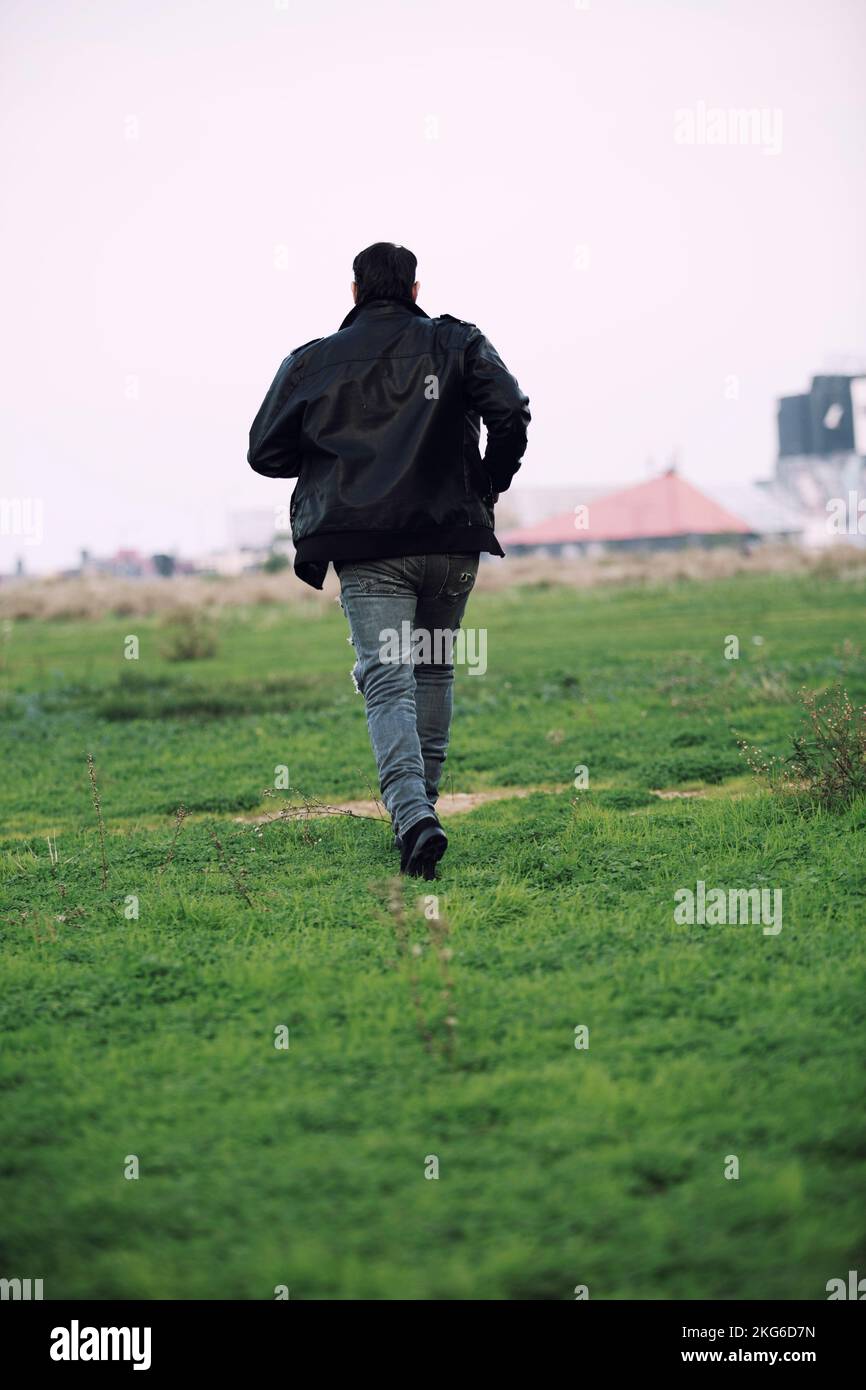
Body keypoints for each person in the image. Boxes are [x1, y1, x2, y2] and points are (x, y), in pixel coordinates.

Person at [248, 242, 530, 877]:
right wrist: (489, 481)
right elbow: (510, 411)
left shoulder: (312, 362)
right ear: (415, 288)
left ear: (354, 291)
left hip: (366, 546)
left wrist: (337, 453)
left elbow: (264, 451)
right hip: (453, 539)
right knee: (432, 672)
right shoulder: (458, 342)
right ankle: (420, 813)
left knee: (386, 681)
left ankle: (412, 817)